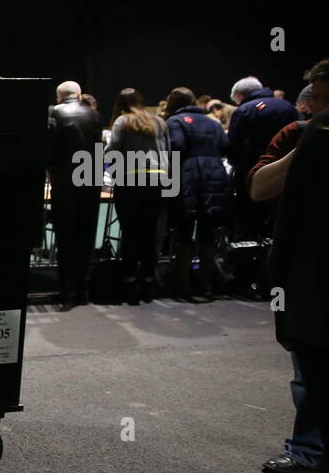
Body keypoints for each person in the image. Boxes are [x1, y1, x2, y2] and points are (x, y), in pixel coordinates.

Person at [249, 105, 329, 473]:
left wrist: (288, 314)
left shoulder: (317, 141)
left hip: (318, 316)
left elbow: (288, 233)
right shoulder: (308, 137)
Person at [248, 58, 329, 473]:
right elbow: (259, 188)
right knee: (308, 369)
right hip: (306, 269)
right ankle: (306, 450)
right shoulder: (298, 133)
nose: (316, 107)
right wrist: (310, 145)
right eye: (316, 98)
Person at [164, 87, 228, 298]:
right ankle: (205, 284)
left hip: (188, 178)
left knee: (184, 231)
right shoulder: (213, 122)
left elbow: (176, 147)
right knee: (208, 233)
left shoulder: (175, 122)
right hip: (215, 176)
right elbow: (226, 147)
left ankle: (181, 284)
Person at [106, 88, 168, 304]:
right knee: (150, 233)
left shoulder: (122, 121)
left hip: (130, 180)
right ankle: (149, 282)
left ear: (119, 103)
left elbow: (112, 149)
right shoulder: (158, 121)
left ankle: (130, 282)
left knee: (130, 232)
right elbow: (167, 151)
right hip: (157, 181)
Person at [47, 80, 103, 308]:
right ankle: (84, 290)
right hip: (90, 181)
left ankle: (67, 291)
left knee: (66, 238)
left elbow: (50, 150)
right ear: (79, 95)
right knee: (86, 237)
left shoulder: (55, 113)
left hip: (65, 184)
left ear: (59, 96)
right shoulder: (94, 115)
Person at [227, 75, 297, 241]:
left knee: (248, 226)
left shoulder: (244, 110)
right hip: (284, 176)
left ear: (241, 96)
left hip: (252, 175)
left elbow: (233, 146)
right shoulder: (289, 106)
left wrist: (236, 166)